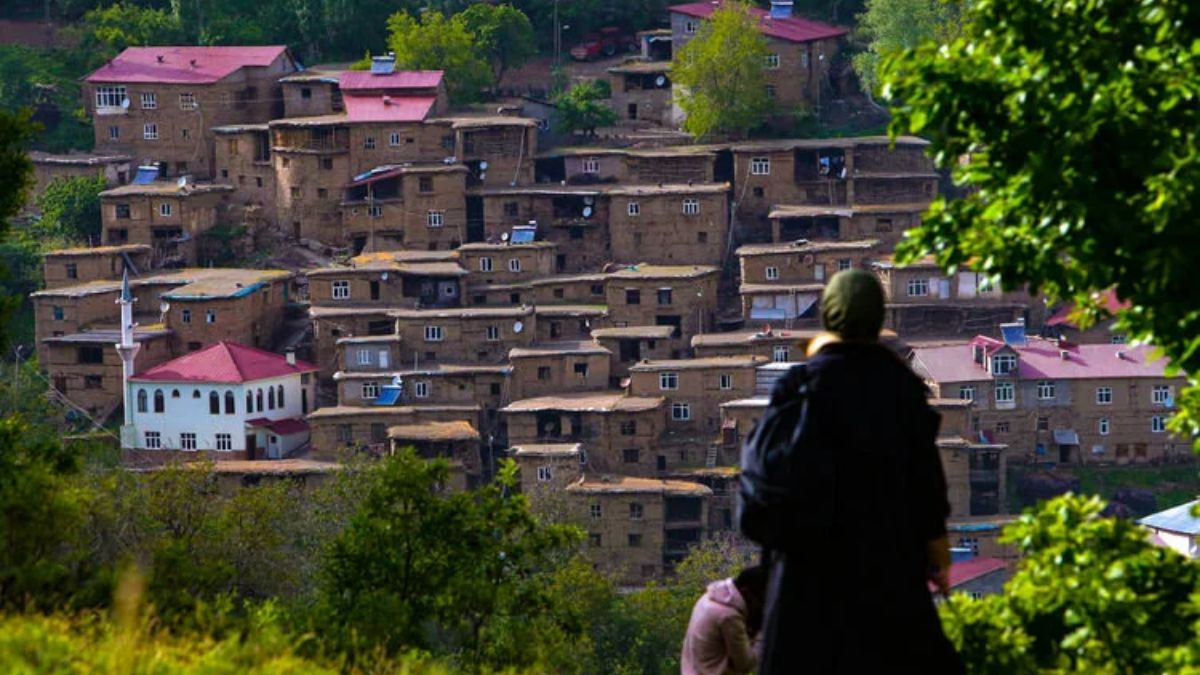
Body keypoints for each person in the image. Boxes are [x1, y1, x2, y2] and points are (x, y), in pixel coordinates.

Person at [738, 269, 962, 675]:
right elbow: (928, 496)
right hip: (888, 589)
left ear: (827, 315)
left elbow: (758, 496)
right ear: (878, 318)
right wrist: (938, 560)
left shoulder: (797, 388)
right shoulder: (902, 391)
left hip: (802, 599)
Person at [680, 565, 767, 675]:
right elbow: (745, 663)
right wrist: (762, 634)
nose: (762, 606)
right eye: (761, 600)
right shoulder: (729, 617)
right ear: (745, 592)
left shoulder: (709, 597)